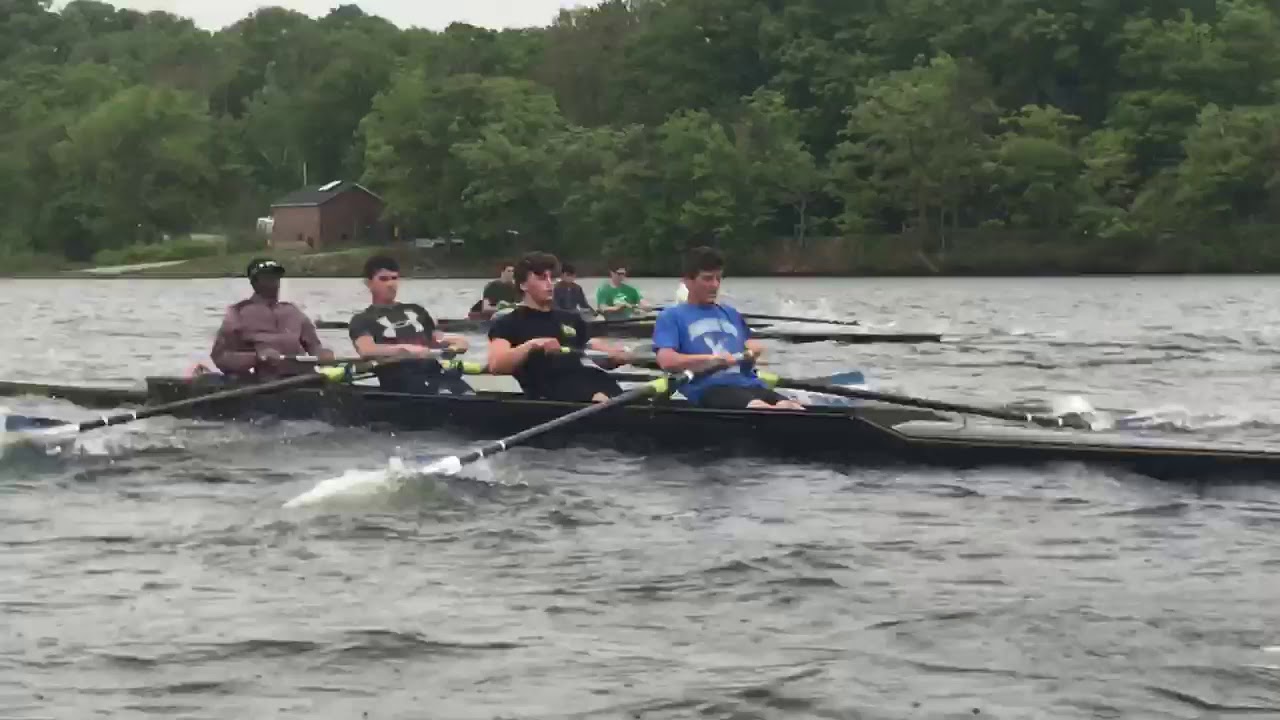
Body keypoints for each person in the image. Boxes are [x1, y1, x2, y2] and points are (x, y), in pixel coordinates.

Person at [653, 247, 804, 411]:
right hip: (708, 389)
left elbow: (748, 351)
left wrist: (754, 352)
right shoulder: (671, 316)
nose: (715, 285)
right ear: (688, 281)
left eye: (718, 279)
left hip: (749, 384)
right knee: (760, 408)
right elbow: (666, 360)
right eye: (708, 279)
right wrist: (712, 359)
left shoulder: (731, 314)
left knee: (792, 406)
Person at [488, 251, 632, 403]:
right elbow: (496, 364)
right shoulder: (507, 323)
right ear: (523, 285)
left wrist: (616, 355)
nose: (550, 284)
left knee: (622, 393)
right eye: (542, 278)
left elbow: (592, 348)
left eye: (552, 278)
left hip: (585, 380)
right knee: (599, 397)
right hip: (545, 388)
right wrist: (532, 345)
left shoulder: (571, 318)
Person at [348, 255, 473, 395]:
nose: (390, 284)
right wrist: (405, 349)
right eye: (383, 279)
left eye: (394, 278)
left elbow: (436, 339)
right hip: (400, 378)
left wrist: (457, 342)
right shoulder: (362, 319)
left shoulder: (416, 310)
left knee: (465, 392)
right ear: (368, 283)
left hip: (433, 372)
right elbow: (367, 350)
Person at [209, 258, 335, 380]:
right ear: (254, 282)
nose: (274, 282)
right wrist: (257, 357)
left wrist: (322, 354)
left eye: (276, 276)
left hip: (302, 379)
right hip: (264, 383)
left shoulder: (293, 311)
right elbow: (220, 357)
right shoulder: (238, 313)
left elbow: (314, 347)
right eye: (267, 277)